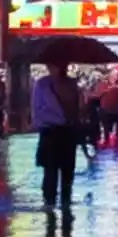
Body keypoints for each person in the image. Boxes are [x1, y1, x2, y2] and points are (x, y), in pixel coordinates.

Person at [32, 61, 82, 214]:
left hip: (67, 132)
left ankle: (65, 200)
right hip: (51, 132)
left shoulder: (72, 85)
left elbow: (78, 108)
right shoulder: (42, 85)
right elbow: (37, 109)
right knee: (51, 170)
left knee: (67, 170)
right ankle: (50, 201)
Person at [99, 76, 118, 147]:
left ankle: (107, 139)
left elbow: (98, 97)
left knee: (106, 126)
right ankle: (117, 138)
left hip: (107, 111)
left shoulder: (104, 89)